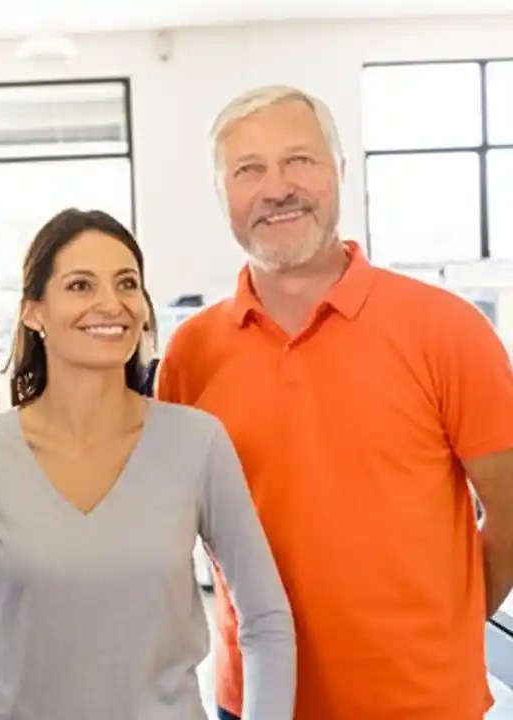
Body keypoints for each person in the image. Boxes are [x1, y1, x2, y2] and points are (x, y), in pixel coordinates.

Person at [157, 84, 513, 720]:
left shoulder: (447, 330)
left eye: (300, 160)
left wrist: (445, 628)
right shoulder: (191, 354)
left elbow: (512, 512)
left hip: (423, 703)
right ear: (223, 196)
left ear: (340, 172)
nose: (277, 188)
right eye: (248, 170)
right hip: (258, 703)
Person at [0, 208, 296, 719]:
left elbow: (266, 618)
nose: (110, 303)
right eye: (79, 285)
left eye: (127, 283)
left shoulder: (196, 442)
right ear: (34, 312)